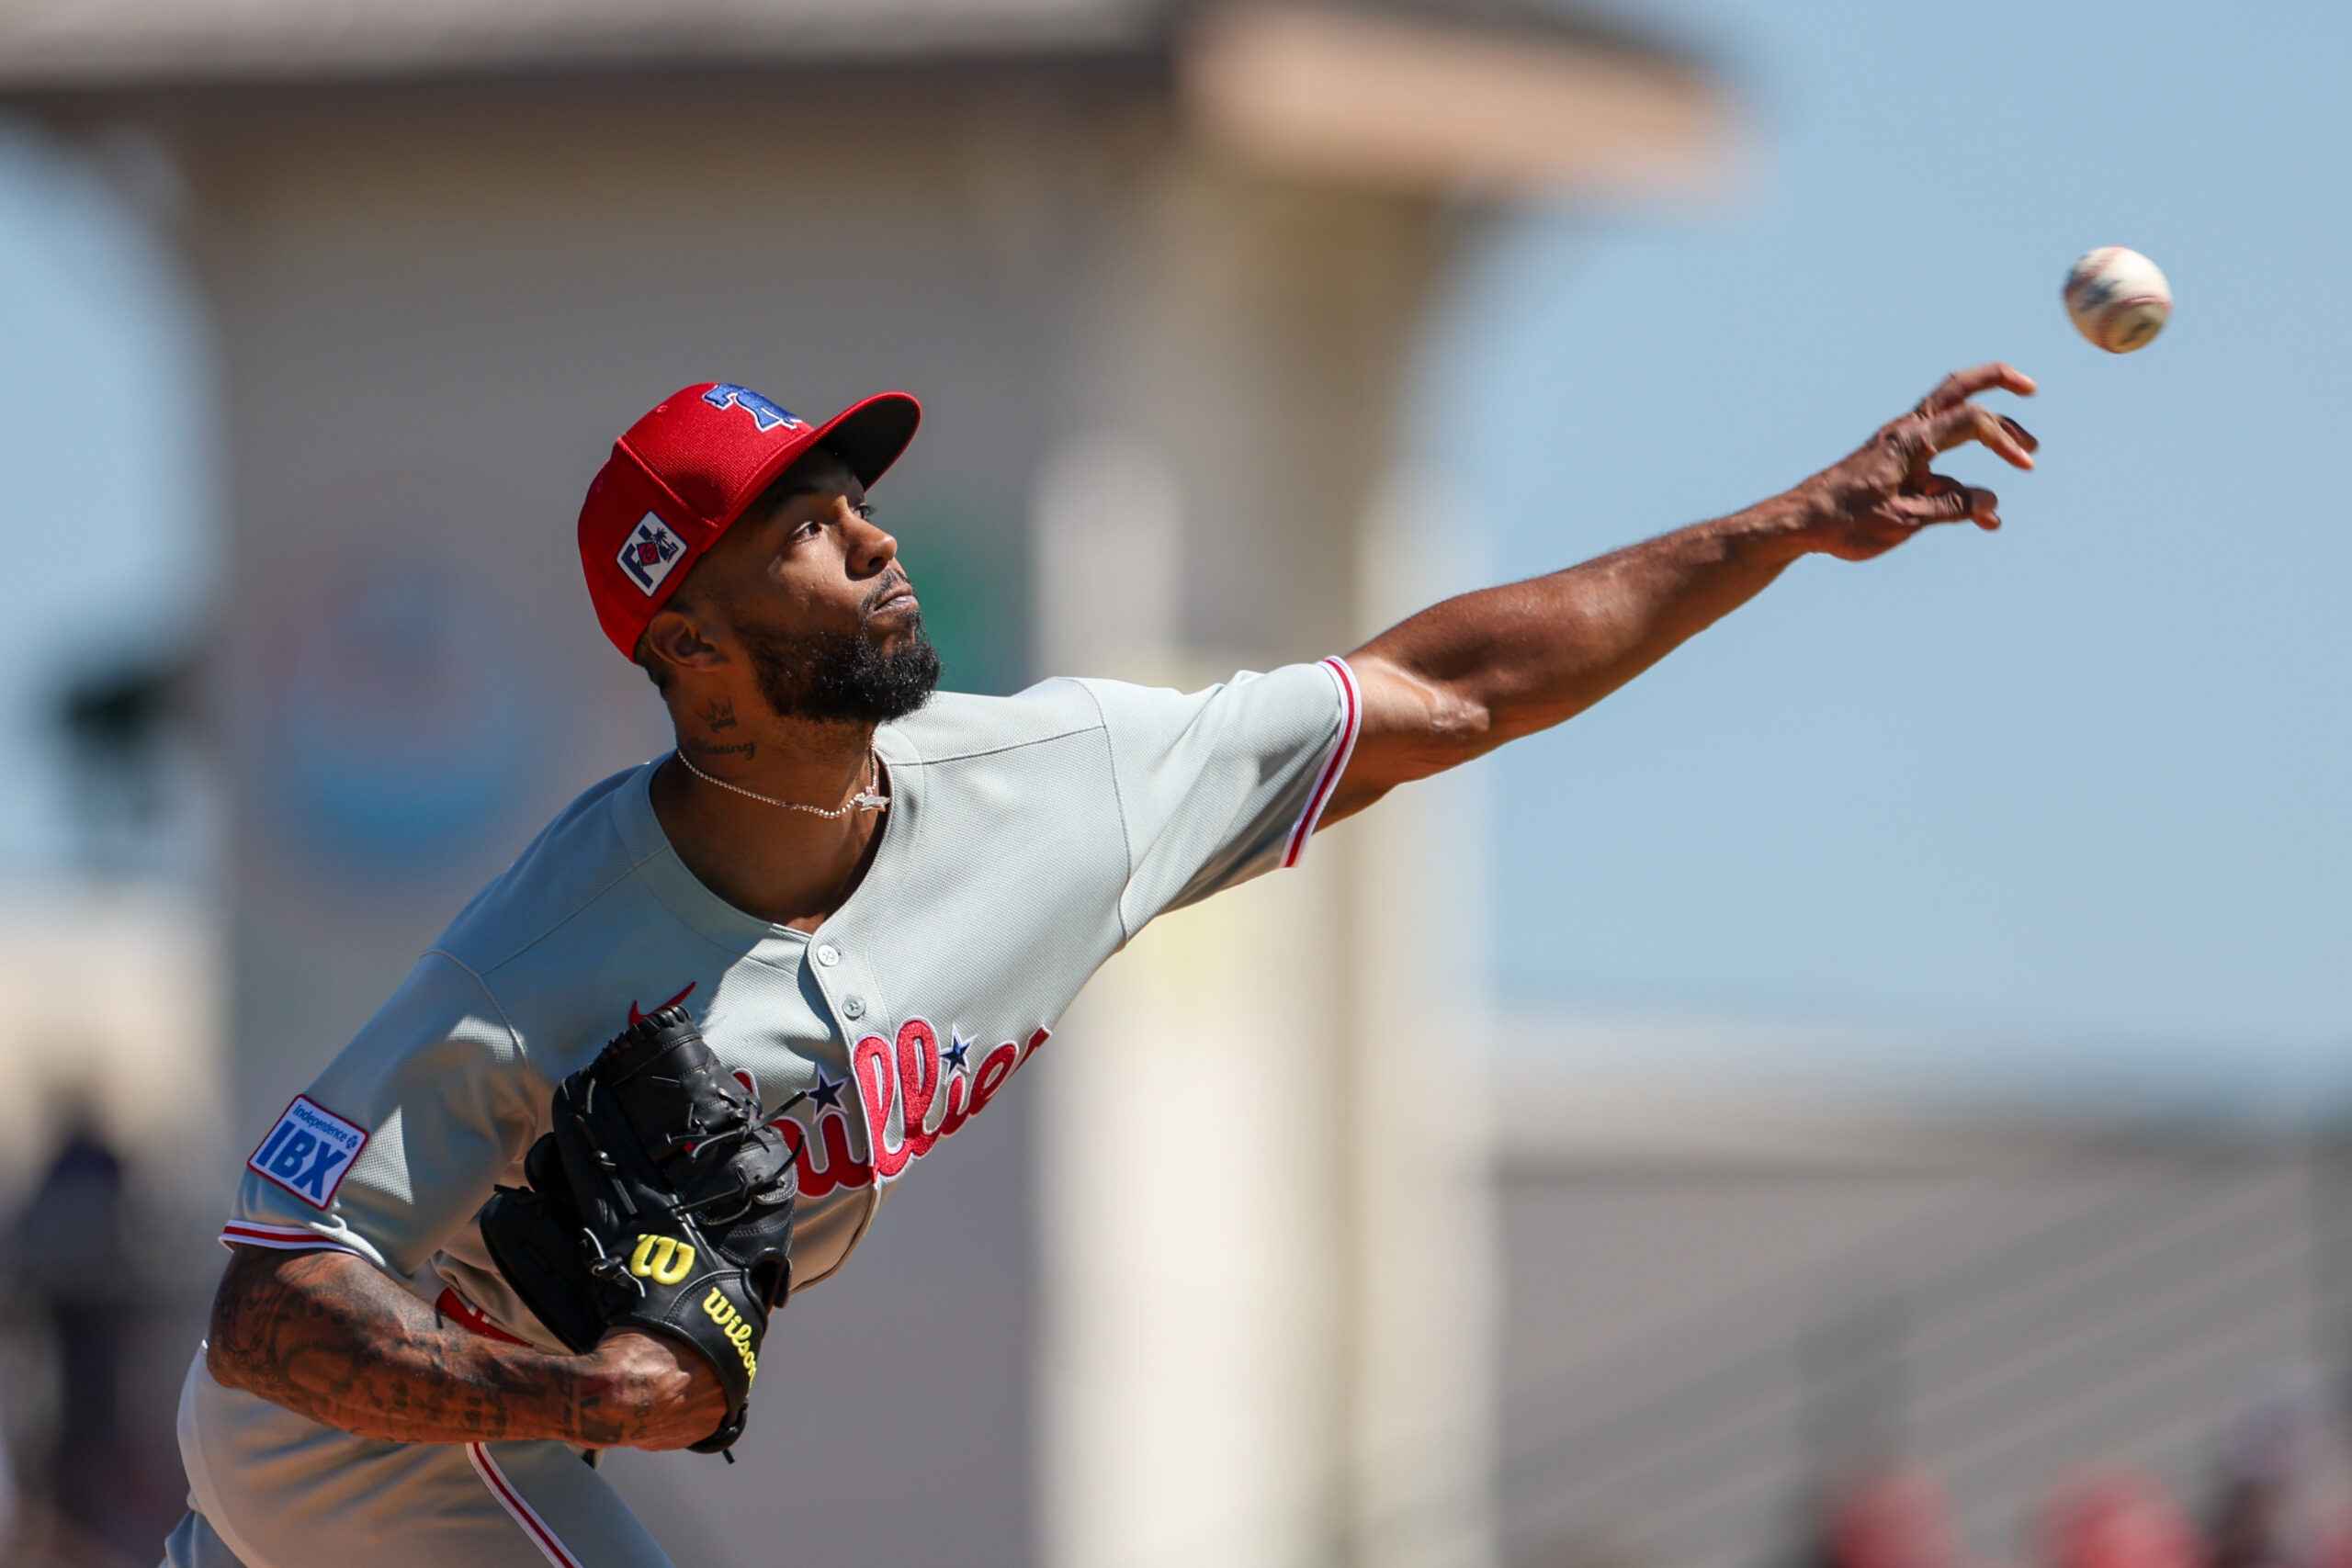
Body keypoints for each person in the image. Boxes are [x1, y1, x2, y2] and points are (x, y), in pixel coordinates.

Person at [167, 366, 2039, 1568]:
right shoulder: (542, 951)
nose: (871, 536)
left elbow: (1442, 688)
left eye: (853, 497)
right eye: (803, 527)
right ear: (688, 634)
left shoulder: (1052, 780)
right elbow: (262, 1313)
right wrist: (584, 1402)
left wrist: (1779, 527)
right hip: (354, 1438)